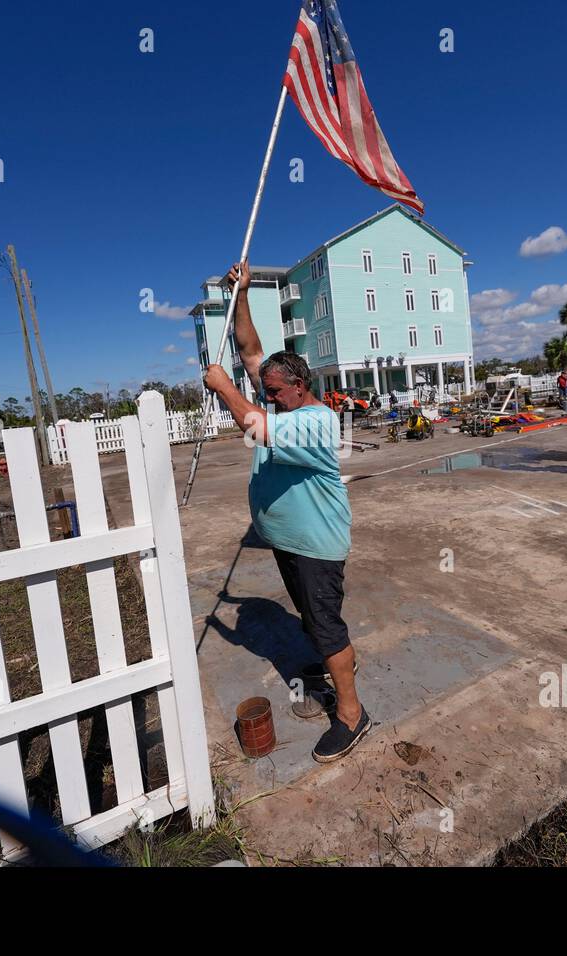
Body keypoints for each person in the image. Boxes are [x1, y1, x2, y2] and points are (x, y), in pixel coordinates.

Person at [202, 260, 371, 763]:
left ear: (300, 386)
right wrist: (244, 295)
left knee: (325, 626)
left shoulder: (314, 422)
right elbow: (251, 351)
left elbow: (256, 428)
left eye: (275, 392)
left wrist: (224, 387)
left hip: (317, 544)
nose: (268, 398)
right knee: (313, 620)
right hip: (289, 541)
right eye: (266, 391)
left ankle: (352, 715)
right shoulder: (285, 402)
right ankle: (333, 667)